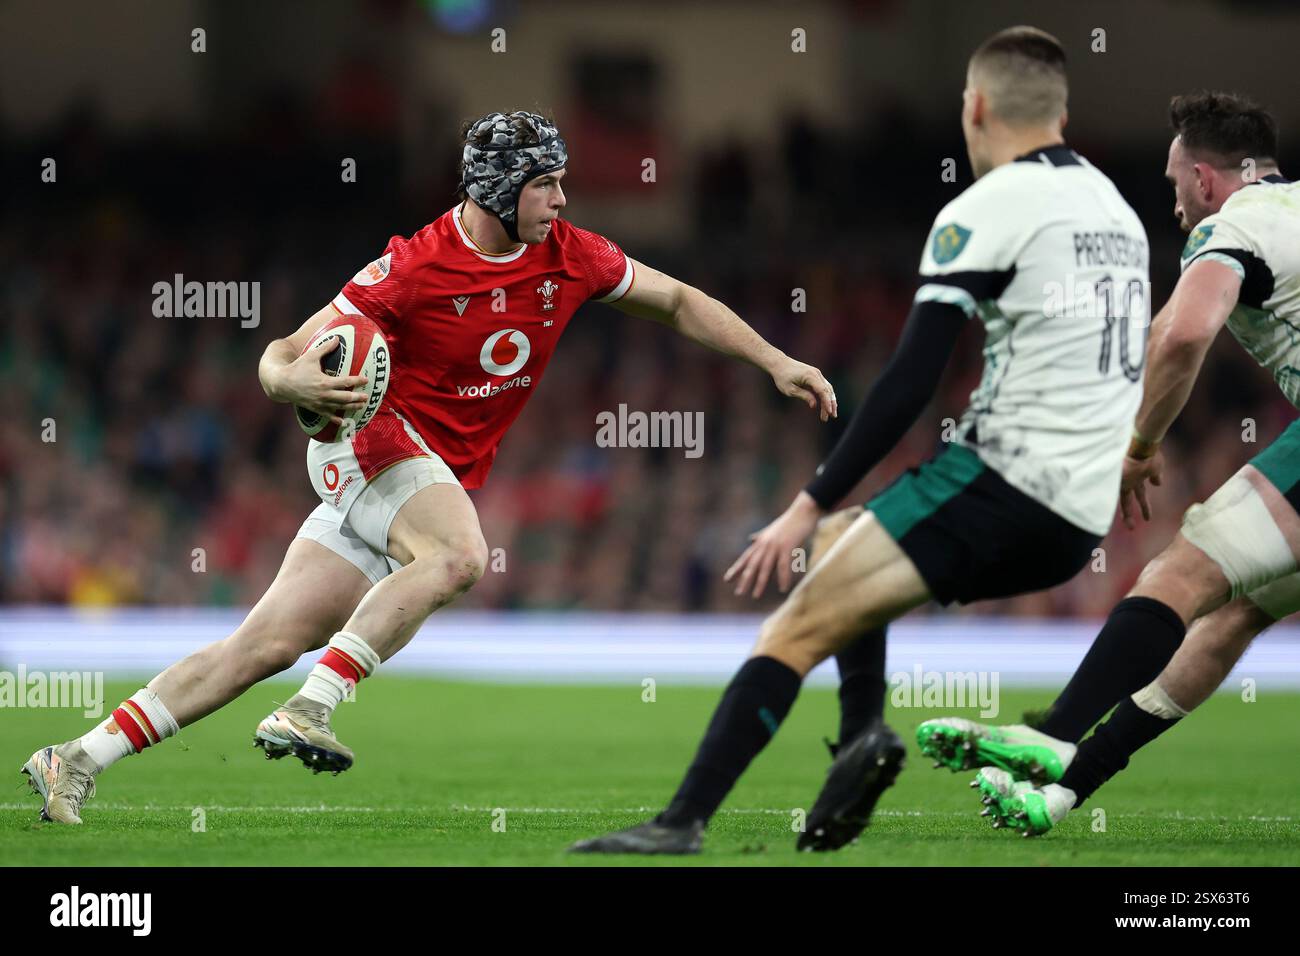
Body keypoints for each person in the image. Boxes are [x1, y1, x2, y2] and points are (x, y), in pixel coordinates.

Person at [21, 110, 837, 825]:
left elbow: (679, 300)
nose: (561, 201)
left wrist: (774, 360)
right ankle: (314, 705)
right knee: (459, 556)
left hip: (413, 474)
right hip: (367, 439)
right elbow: (280, 356)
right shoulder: (411, 267)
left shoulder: (571, 256)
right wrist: (290, 379)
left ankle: (75, 759)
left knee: (261, 645)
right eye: (546, 185)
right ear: (499, 189)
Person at [572, 26, 1152, 855]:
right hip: (1080, 512)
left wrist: (803, 505)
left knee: (795, 625)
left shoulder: (988, 207)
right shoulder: (1117, 212)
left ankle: (682, 822)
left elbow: (912, 379)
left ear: (976, 107)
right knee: (850, 543)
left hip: (1004, 485)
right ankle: (859, 740)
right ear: (1060, 111)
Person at [918, 91, 1298, 836]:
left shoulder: (1233, 228)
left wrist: (1140, 448)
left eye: (1174, 182)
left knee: (1178, 577)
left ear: (1206, 177)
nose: (1178, 202)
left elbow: (1183, 335)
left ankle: (1054, 733)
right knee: (1232, 615)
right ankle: (1062, 791)